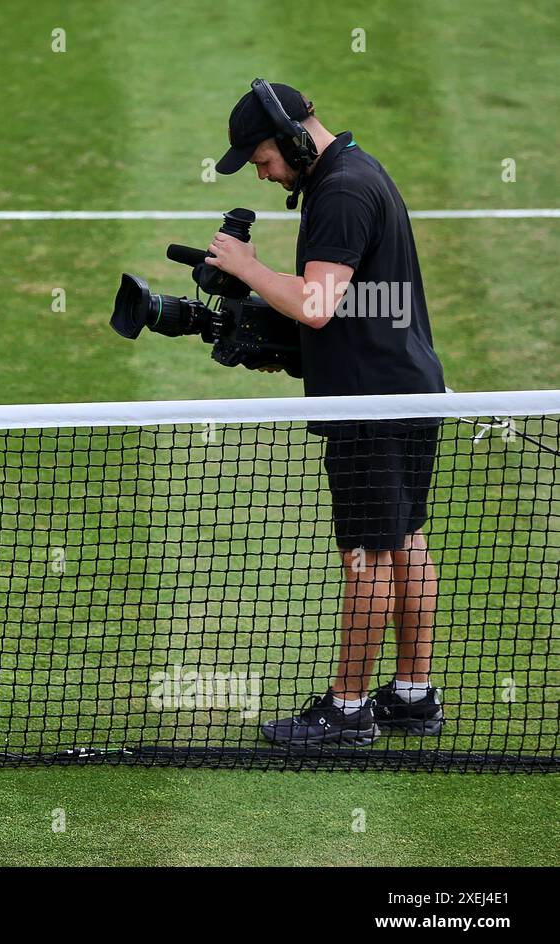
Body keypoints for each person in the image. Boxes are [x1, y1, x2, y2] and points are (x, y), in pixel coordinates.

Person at [205, 80, 447, 747]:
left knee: (368, 554)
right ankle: (413, 695)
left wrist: (245, 267)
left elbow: (315, 302)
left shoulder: (339, 190)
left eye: (262, 158)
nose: (261, 172)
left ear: (289, 136)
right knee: (404, 541)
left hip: (373, 406)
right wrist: (296, 355)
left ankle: (346, 710)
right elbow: (356, 307)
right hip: (402, 389)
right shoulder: (355, 170)